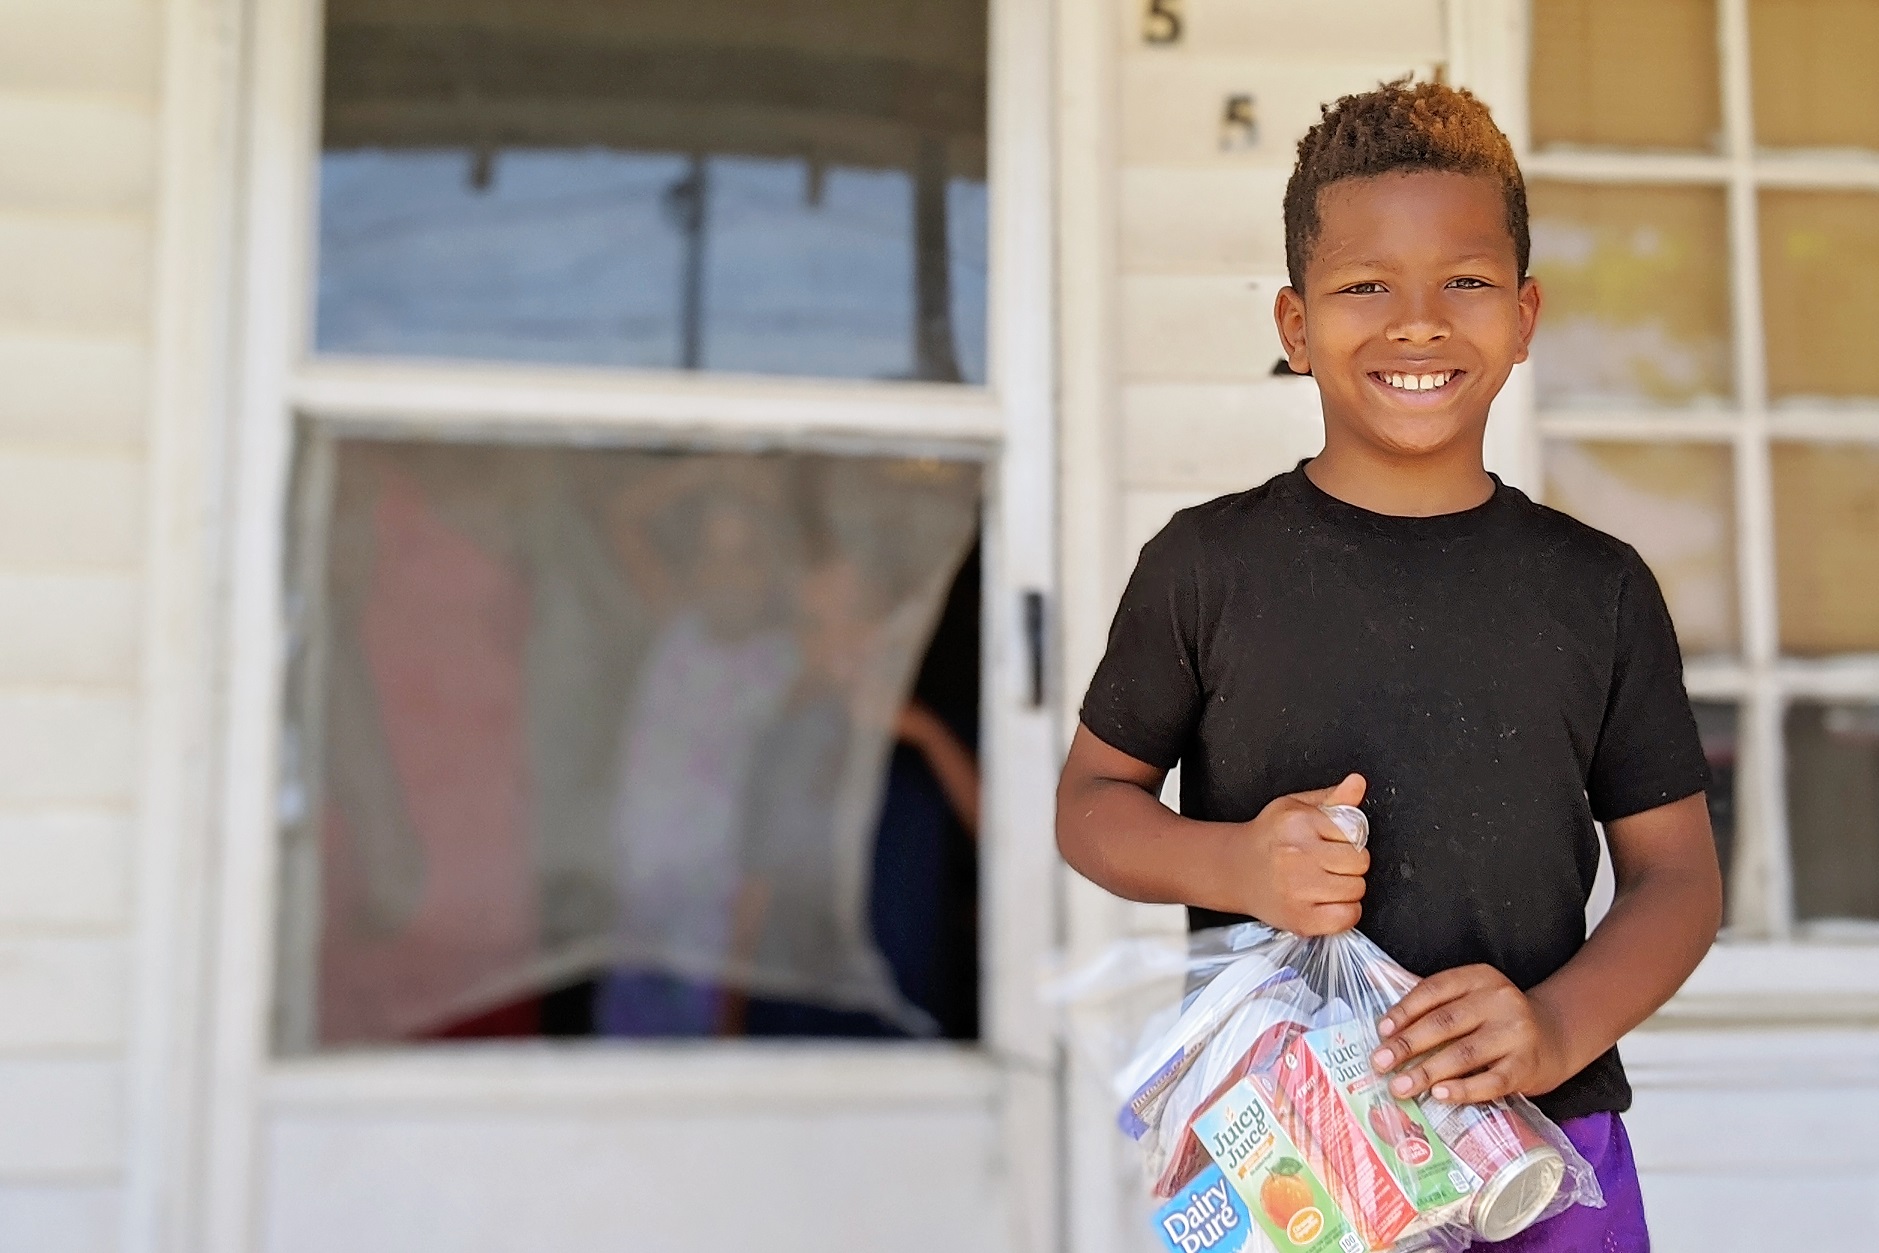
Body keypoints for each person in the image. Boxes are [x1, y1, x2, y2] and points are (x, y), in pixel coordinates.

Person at [1056, 80, 1721, 1252]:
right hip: (1282, 1155)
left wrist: (1555, 1027)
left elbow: (1678, 880)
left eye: (1462, 282)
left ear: (1522, 316)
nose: (1417, 321)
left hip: (1544, 1150)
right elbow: (1090, 806)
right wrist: (1236, 860)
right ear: (1295, 324)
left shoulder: (1597, 588)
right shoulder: (1207, 565)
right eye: (1365, 285)